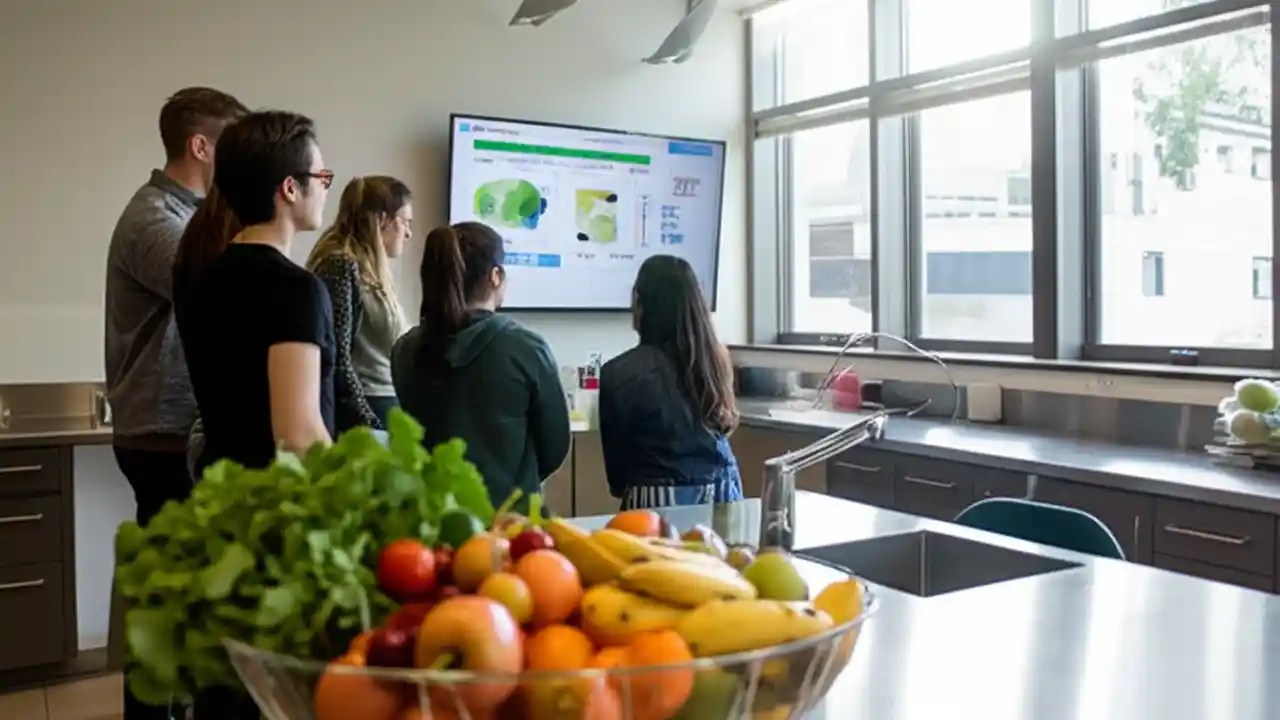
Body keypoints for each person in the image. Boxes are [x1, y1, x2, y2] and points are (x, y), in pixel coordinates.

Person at [102, 86, 246, 720]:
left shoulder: (184, 214)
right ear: (202, 146)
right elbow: (211, 282)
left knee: (183, 597)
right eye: (234, 150)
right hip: (159, 432)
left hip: (175, 428)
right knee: (165, 606)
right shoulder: (153, 220)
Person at [179, 109, 336, 476]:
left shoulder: (205, 278)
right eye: (322, 177)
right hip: (278, 508)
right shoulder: (296, 290)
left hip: (224, 495)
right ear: (290, 188)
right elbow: (297, 435)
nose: (326, 189)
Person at [392, 221, 570, 505]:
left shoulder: (405, 349)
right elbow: (555, 446)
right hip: (510, 525)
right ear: (495, 276)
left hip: (433, 521)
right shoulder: (526, 348)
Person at [599, 255, 744, 509]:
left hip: (653, 505)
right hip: (723, 495)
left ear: (639, 304)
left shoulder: (618, 373)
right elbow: (724, 425)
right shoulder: (716, 361)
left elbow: (618, 480)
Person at [305, 176, 412, 431]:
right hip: (364, 412)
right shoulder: (340, 265)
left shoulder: (372, 268)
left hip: (381, 405)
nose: (408, 233)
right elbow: (338, 360)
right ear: (382, 220)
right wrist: (370, 423)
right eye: (405, 222)